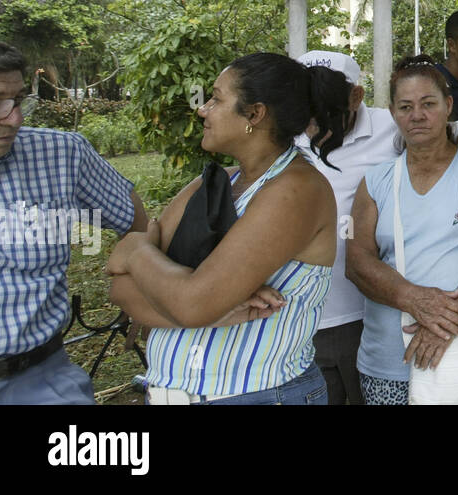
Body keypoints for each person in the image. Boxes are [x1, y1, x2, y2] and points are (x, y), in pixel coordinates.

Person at [109, 53, 350, 405]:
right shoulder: (211, 183)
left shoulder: (296, 189)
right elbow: (121, 290)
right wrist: (214, 313)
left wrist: (136, 250)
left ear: (254, 114)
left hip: (256, 396)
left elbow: (191, 303)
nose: (203, 110)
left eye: (216, 98)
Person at [291, 50, 458, 404]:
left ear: (356, 96)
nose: (315, 128)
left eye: (326, 114)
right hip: (298, 317)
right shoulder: (290, 132)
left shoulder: (397, 123)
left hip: (362, 316)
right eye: (307, 114)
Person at [346, 56, 458, 405]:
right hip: (388, 362)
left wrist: (447, 320)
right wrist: (415, 300)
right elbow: (357, 261)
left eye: (428, 104)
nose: (417, 116)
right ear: (392, 112)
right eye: (405, 107)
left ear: (449, 105)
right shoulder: (376, 180)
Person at [0, 42, 149, 405]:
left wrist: (147, 290)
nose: (14, 118)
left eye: (17, 100)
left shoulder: (61, 154)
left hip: (39, 380)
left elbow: (139, 226)